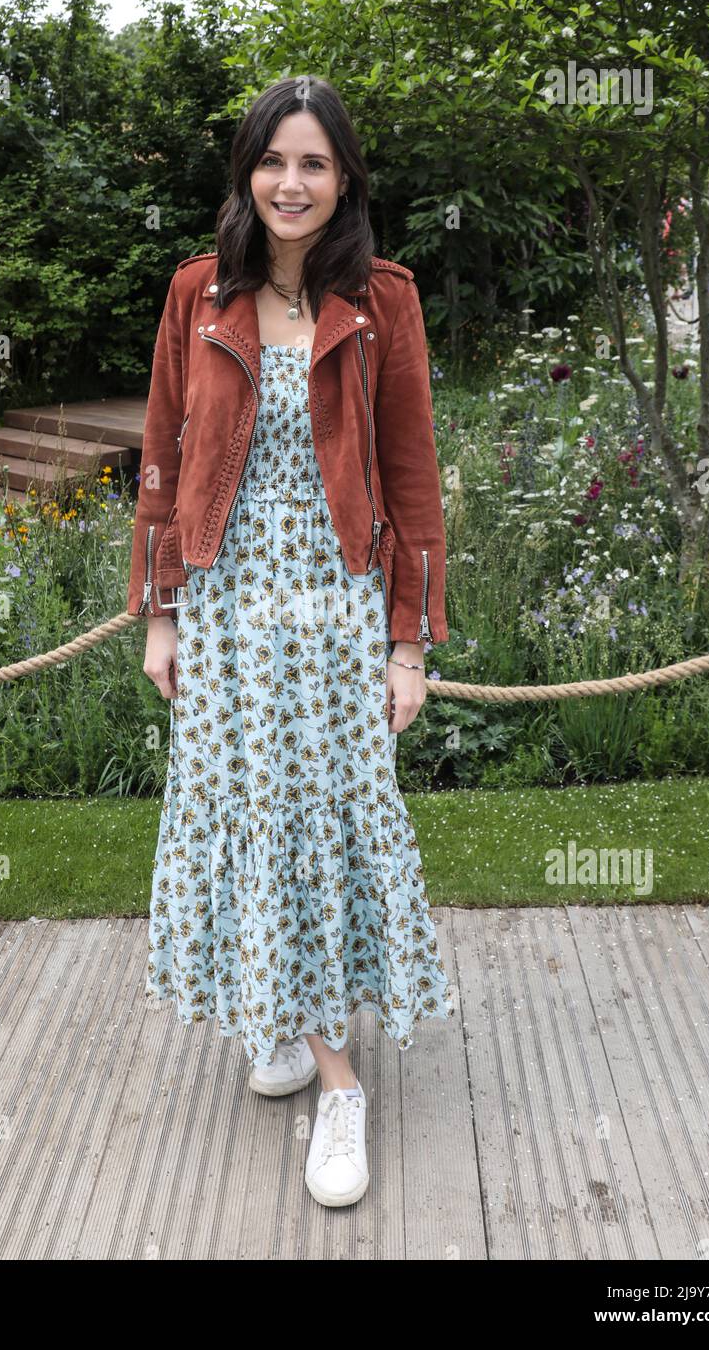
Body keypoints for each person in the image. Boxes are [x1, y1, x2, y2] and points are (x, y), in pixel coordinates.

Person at [126, 76, 455, 1208]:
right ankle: (284, 1023)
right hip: (226, 609)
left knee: (324, 818)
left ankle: (340, 1085)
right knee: (246, 812)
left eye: (314, 163)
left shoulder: (382, 300)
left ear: (345, 178)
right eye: (274, 161)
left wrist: (408, 646)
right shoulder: (196, 295)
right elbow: (162, 460)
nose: (292, 183)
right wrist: (163, 612)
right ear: (247, 172)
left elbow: (411, 478)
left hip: (334, 608)